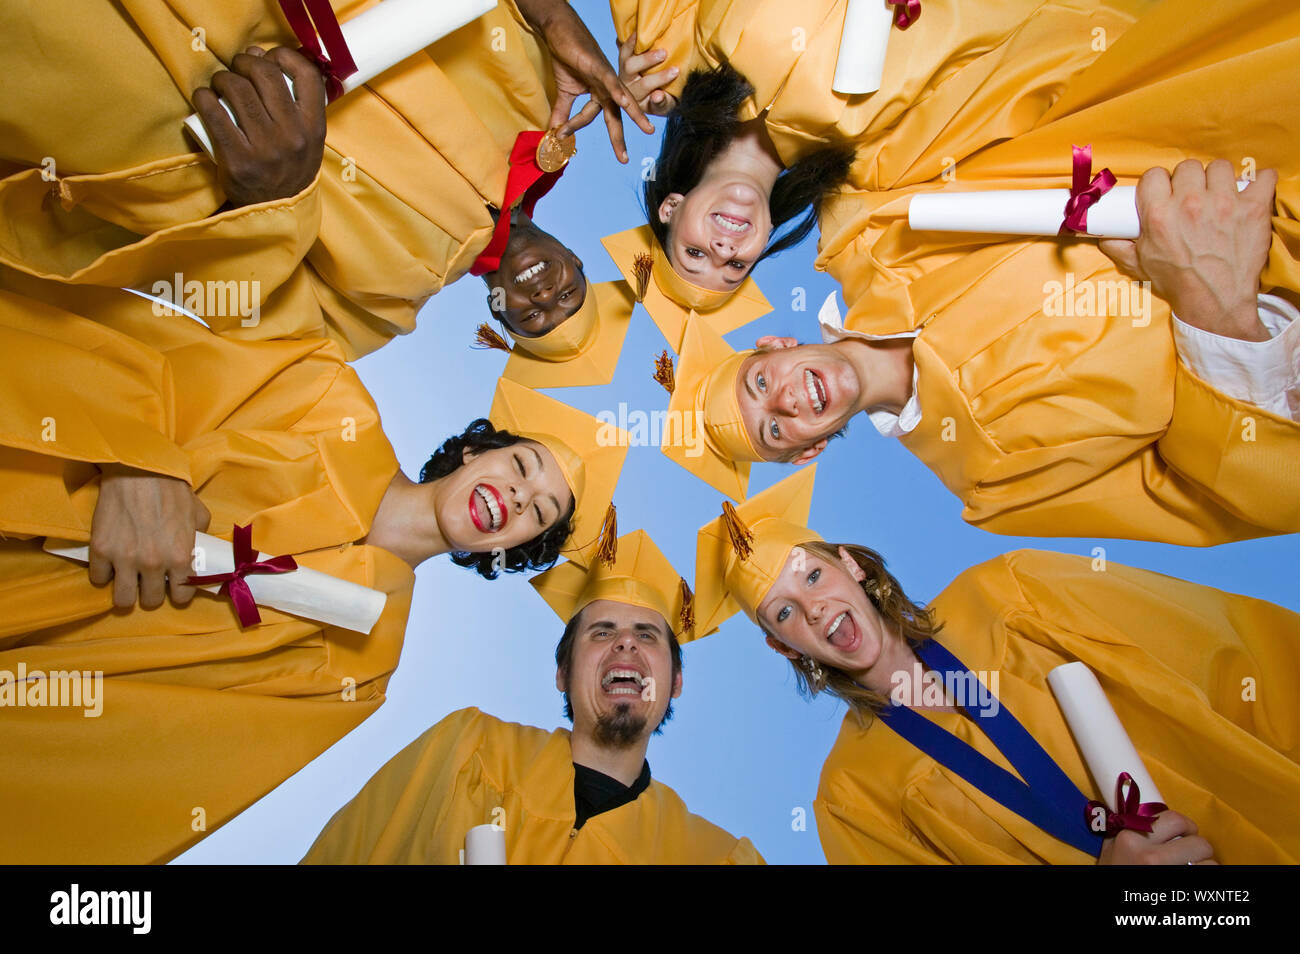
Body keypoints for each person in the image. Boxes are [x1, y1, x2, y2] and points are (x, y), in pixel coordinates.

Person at [0, 284, 627, 863]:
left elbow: (166, 758)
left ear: (512, 549)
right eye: (521, 466)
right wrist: (138, 459)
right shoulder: (324, 398)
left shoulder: (364, 661)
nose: (519, 498)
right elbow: (142, 344)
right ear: (474, 452)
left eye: (538, 513)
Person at [671, 159, 1300, 544]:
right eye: (776, 430)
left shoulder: (875, 224)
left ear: (775, 343)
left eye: (759, 384)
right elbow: (1212, 496)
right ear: (809, 449)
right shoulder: (994, 487)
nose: (784, 400)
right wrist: (1217, 314)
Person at [692, 468, 1300, 864]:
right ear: (785, 648)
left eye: (815, 574)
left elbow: (1213, 646)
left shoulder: (1006, 594)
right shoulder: (852, 794)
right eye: (784, 613)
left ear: (852, 565)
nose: (815, 606)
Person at [0, 0, 652, 361]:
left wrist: (269, 200)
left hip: (152, 92)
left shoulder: (379, 310)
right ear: (574, 259)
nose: (543, 299)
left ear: (498, 312)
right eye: (568, 299)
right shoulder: (546, 113)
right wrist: (551, 12)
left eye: (531, 320)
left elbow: (234, 321)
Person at [607, 0, 1144, 320]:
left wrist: (648, 49)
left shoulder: (674, 55)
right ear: (765, 238)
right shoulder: (876, 163)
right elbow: (1019, 67)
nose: (724, 248)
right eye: (736, 266)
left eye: (696, 253)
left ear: (672, 207)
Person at [302, 529, 762, 864]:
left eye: (647, 635)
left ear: (676, 682)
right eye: (602, 632)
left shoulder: (713, 855)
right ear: (562, 674)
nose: (626, 644)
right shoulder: (469, 748)